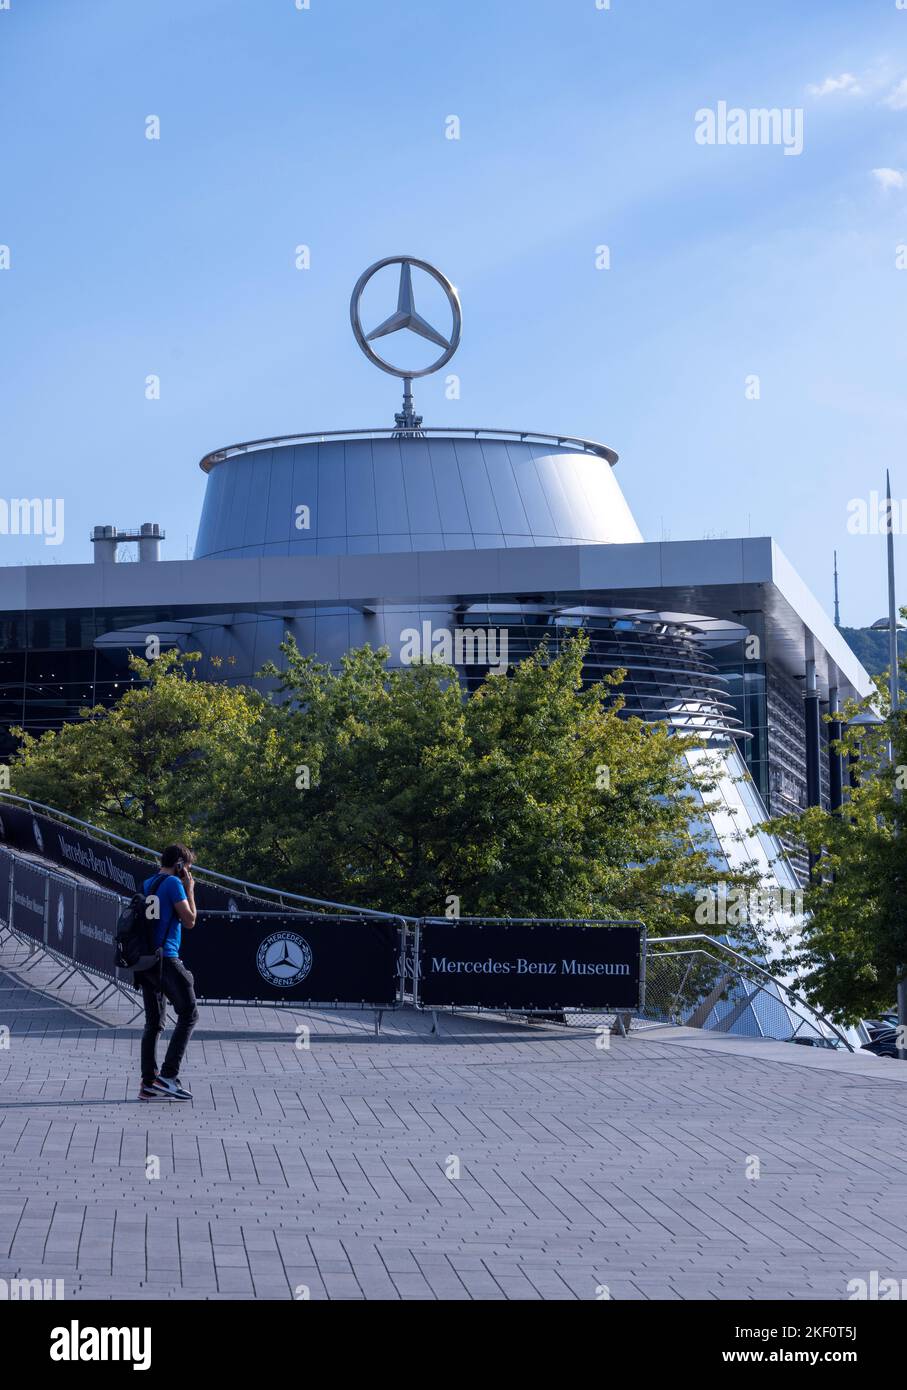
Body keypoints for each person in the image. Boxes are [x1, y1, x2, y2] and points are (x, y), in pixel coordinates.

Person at [137, 843, 199, 1102]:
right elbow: (190, 920)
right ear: (180, 865)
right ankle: (168, 1075)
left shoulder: (148, 883)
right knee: (189, 1014)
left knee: (154, 1022)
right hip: (167, 959)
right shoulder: (174, 884)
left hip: (147, 961)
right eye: (188, 867)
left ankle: (148, 1082)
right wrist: (190, 889)